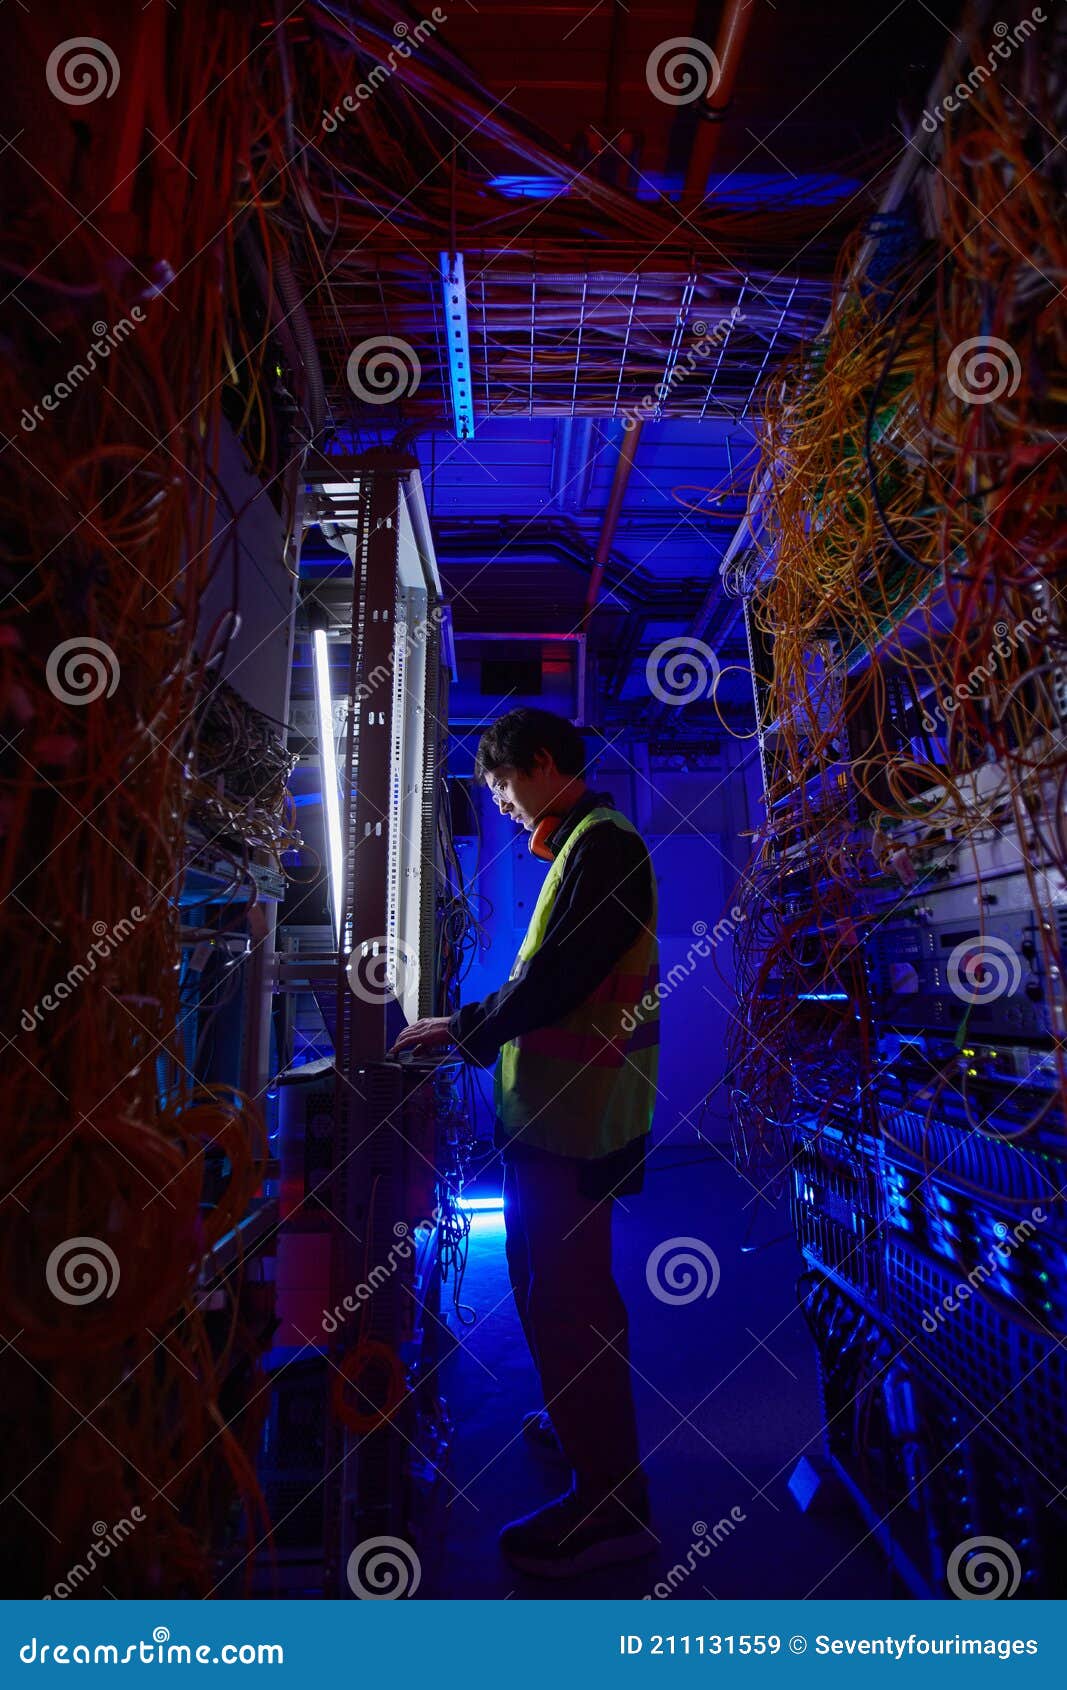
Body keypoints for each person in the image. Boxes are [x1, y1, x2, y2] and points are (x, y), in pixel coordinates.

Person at [391, 707, 659, 1578]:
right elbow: (548, 981)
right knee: (545, 1289)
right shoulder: (575, 846)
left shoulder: (602, 846)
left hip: (579, 1125)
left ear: (542, 764)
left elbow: (555, 981)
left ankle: (612, 1504)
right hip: (553, 1118)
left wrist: (459, 1028)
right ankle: (577, 1421)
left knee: (568, 1304)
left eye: (502, 782)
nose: (500, 801)